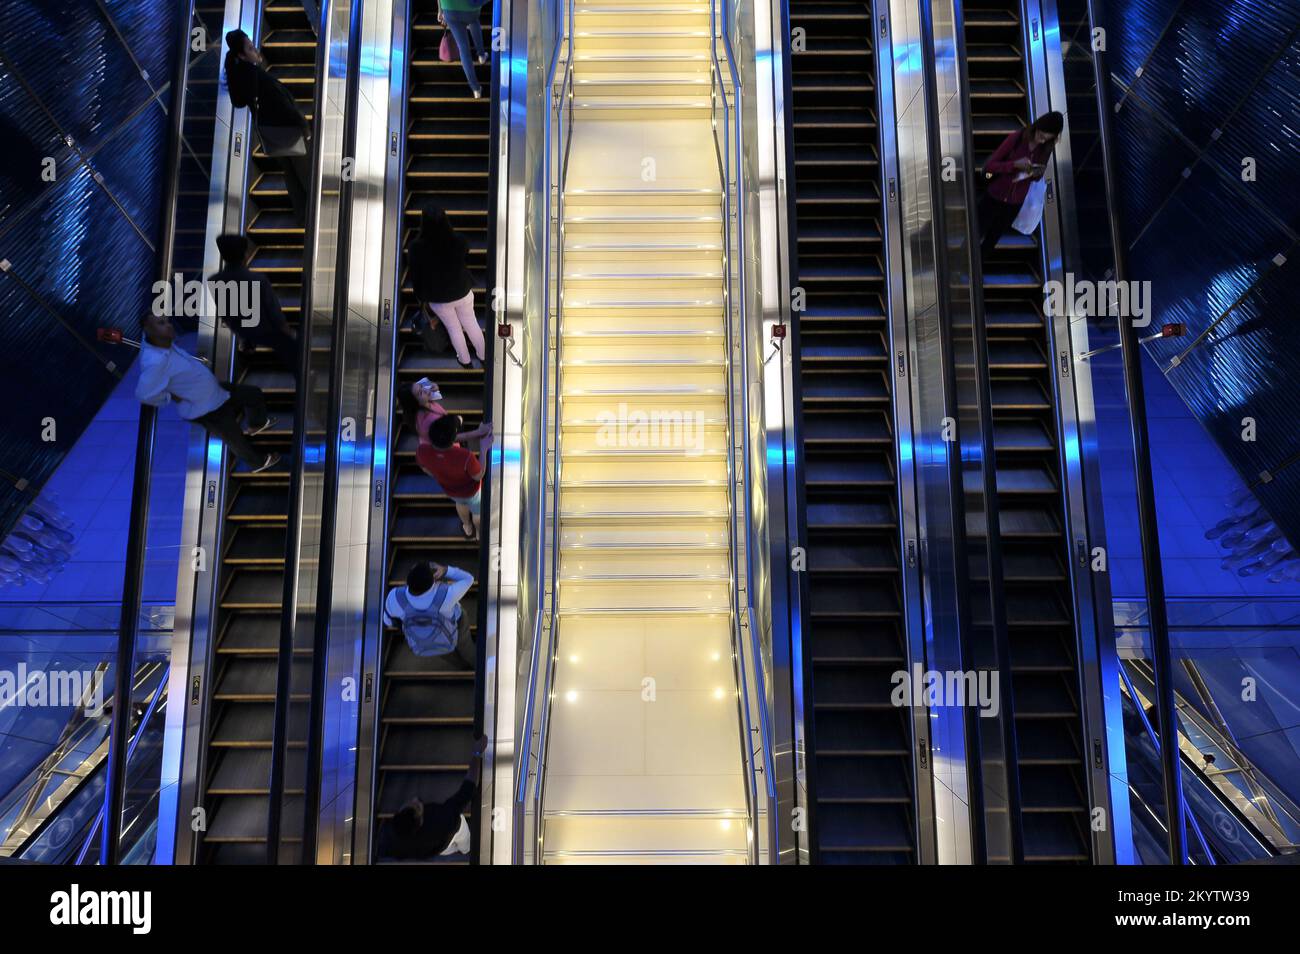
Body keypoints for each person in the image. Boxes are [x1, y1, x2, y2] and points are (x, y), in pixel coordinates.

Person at [135, 313, 280, 473]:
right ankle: (258, 463)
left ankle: (256, 424)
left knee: (253, 394)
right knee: (233, 436)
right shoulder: (155, 361)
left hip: (214, 391)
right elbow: (145, 394)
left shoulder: (163, 344)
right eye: (162, 323)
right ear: (148, 330)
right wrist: (170, 397)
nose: (169, 325)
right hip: (204, 408)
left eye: (168, 321)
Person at [225, 29, 312, 222]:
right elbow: (283, 107)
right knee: (307, 175)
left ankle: (303, 216)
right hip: (289, 131)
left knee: (290, 174)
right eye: (249, 48)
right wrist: (304, 128)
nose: (255, 49)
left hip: (271, 135)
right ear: (241, 55)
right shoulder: (257, 76)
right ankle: (315, 213)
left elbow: (239, 102)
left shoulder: (240, 75)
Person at [376, 735, 488, 860]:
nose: (415, 799)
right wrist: (477, 752)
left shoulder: (391, 839)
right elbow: (468, 789)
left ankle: (462, 850)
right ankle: (466, 849)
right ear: (421, 821)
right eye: (417, 806)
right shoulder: (443, 818)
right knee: (464, 840)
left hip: (436, 849)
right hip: (450, 833)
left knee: (448, 848)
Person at [977, 110, 1064, 260]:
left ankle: (976, 268)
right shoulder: (1017, 139)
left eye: (1046, 139)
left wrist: (1035, 173)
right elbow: (991, 166)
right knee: (976, 231)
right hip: (995, 194)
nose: (1042, 141)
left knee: (992, 239)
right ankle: (961, 265)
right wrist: (1014, 165)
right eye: (1041, 136)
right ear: (1038, 126)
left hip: (1014, 202)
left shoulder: (1045, 149)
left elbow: (1037, 177)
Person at [209, 233, 299, 376]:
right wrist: (288, 332)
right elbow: (274, 312)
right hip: (265, 330)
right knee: (293, 349)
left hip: (242, 329)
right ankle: (304, 376)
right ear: (244, 255)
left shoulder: (214, 280)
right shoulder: (257, 279)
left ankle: (246, 348)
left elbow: (226, 311)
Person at [408, 205, 485, 368]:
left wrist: (422, 297)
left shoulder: (416, 248)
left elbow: (416, 276)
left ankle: (465, 361)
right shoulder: (459, 240)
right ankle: (483, 356)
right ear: (445, 220)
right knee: (471, 322)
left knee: (453, 328)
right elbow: (466, 255)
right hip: (461, 290)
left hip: (438, 298)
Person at [382, 560, 477, 668]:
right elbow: (468, 578)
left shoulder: (394, 596)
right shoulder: (446, 595)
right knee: (466, 647)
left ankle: (463, 667)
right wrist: (446, 570)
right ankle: (476, 665)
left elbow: (388, 621)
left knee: (444, 651)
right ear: (433, 581)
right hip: (457, 627)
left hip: (427, 639)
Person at [417, 414, 492, 538]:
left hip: (451, 491)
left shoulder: (422, 451)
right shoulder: (465, 456)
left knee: (461, 503)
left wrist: (478, 432)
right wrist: (483, 449)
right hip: (472, 492)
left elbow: (426, 470)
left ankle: (467, 527)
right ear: (454, 437)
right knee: (477, 513)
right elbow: (478, 476)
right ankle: (479, 533)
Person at [395, 377, 490, 447]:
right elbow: (452, 438)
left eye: (421, 386)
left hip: (442, 434)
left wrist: (435, 387)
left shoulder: (419, 407)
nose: (425, 389)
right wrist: (479, 432)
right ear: (414, 402)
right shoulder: (429, 421)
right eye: (420, 392)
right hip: (448, 446)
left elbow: (428, 390)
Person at [438, 1, 490, 99]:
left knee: (463, 49)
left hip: (449, 8)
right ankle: (481, 55)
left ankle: (476, 89)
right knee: (474, 21)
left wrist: (440, 10)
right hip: (470, 8)